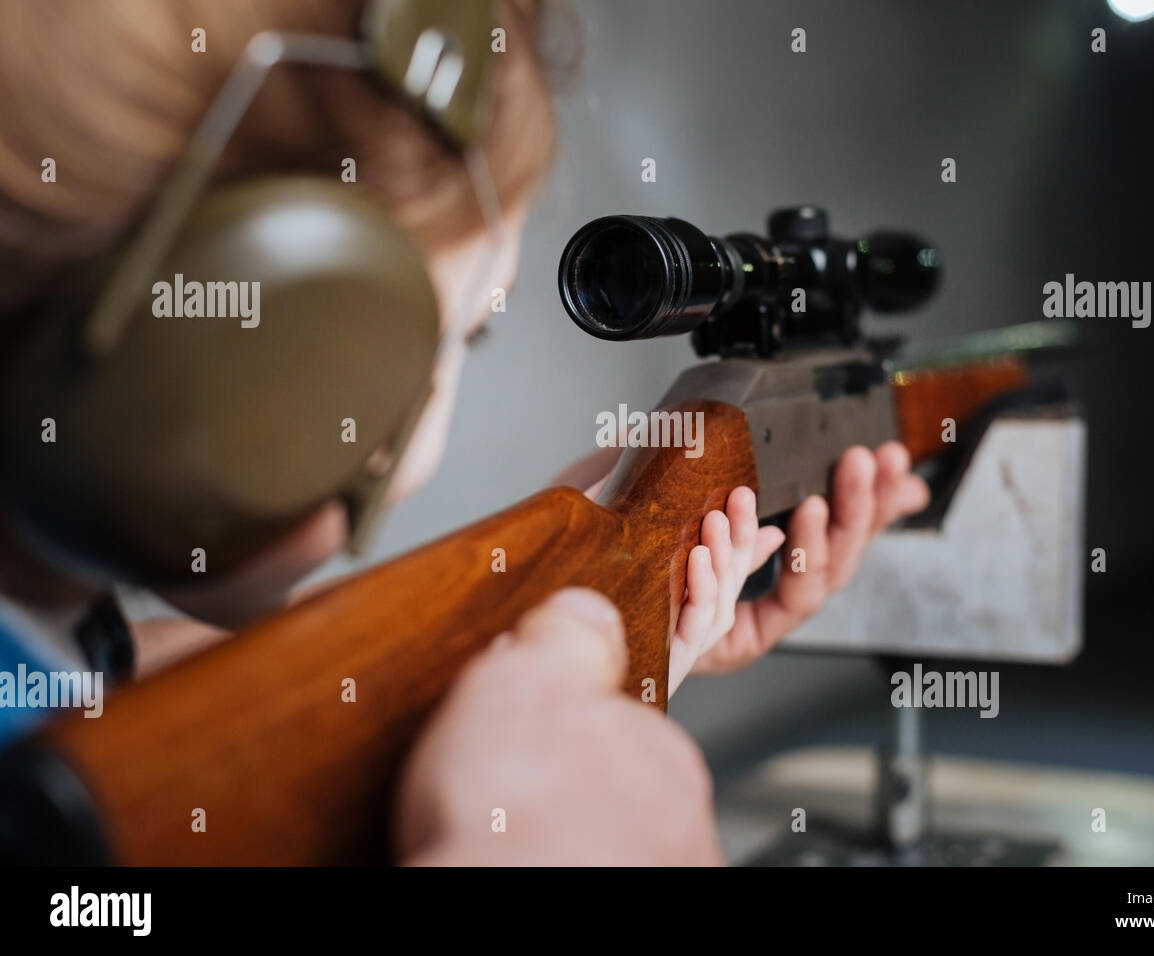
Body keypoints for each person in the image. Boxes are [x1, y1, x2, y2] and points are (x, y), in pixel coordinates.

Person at [0, 0, 928, 865]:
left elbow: (97, 694)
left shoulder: (50, 638)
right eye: (430, 349)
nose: (424, 448)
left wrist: (572, 608)